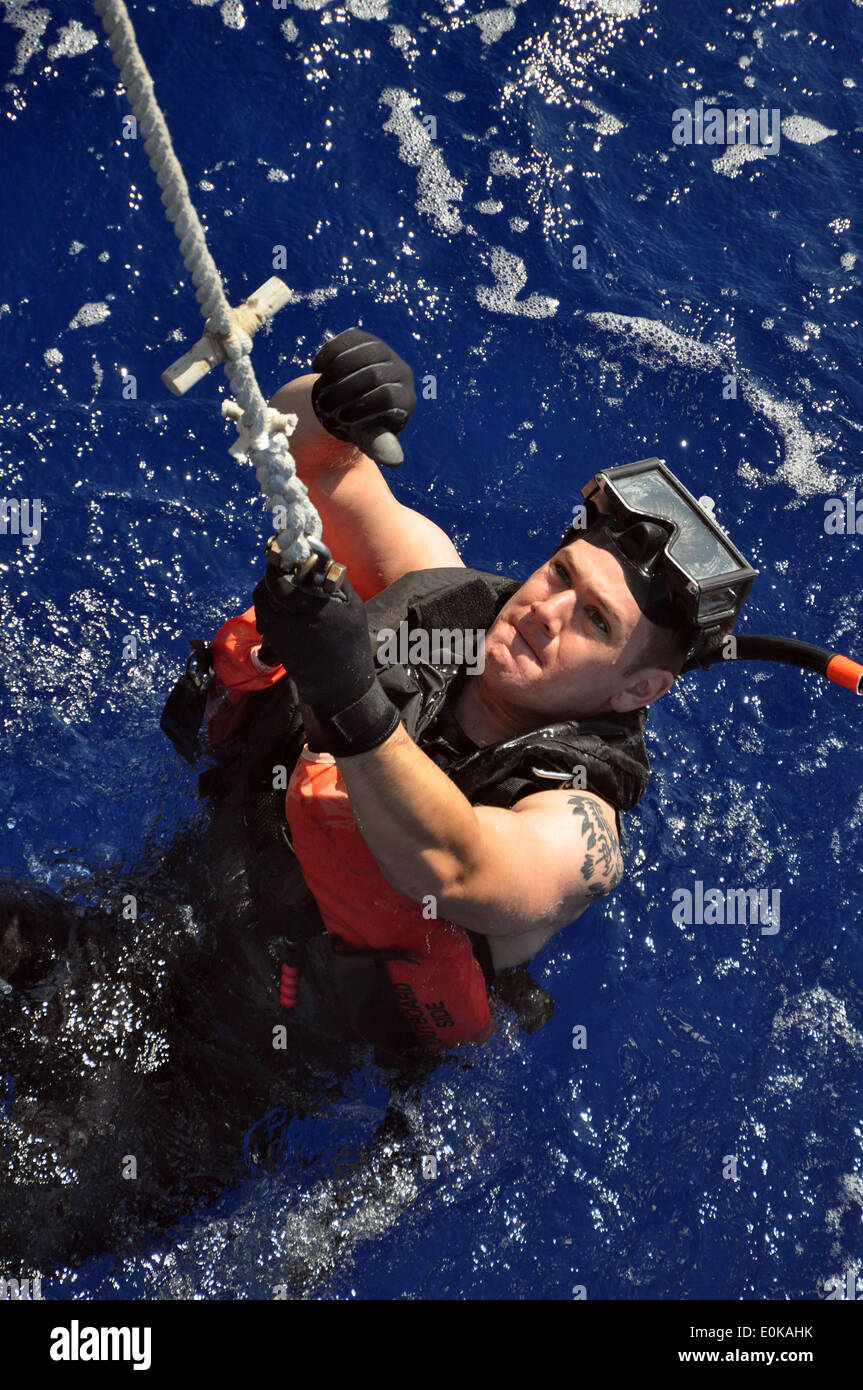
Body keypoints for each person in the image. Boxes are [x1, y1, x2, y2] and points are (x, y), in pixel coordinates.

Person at [165, 327, 753, 1067]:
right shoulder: (432, 588)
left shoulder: (579, 833)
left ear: (638, 689)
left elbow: (456, 866)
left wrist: (345, 690)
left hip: (256, 1060)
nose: (547, 608)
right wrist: (332, 404)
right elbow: (296, 454)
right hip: (171, 903)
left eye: (595, 620)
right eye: (562, 575)